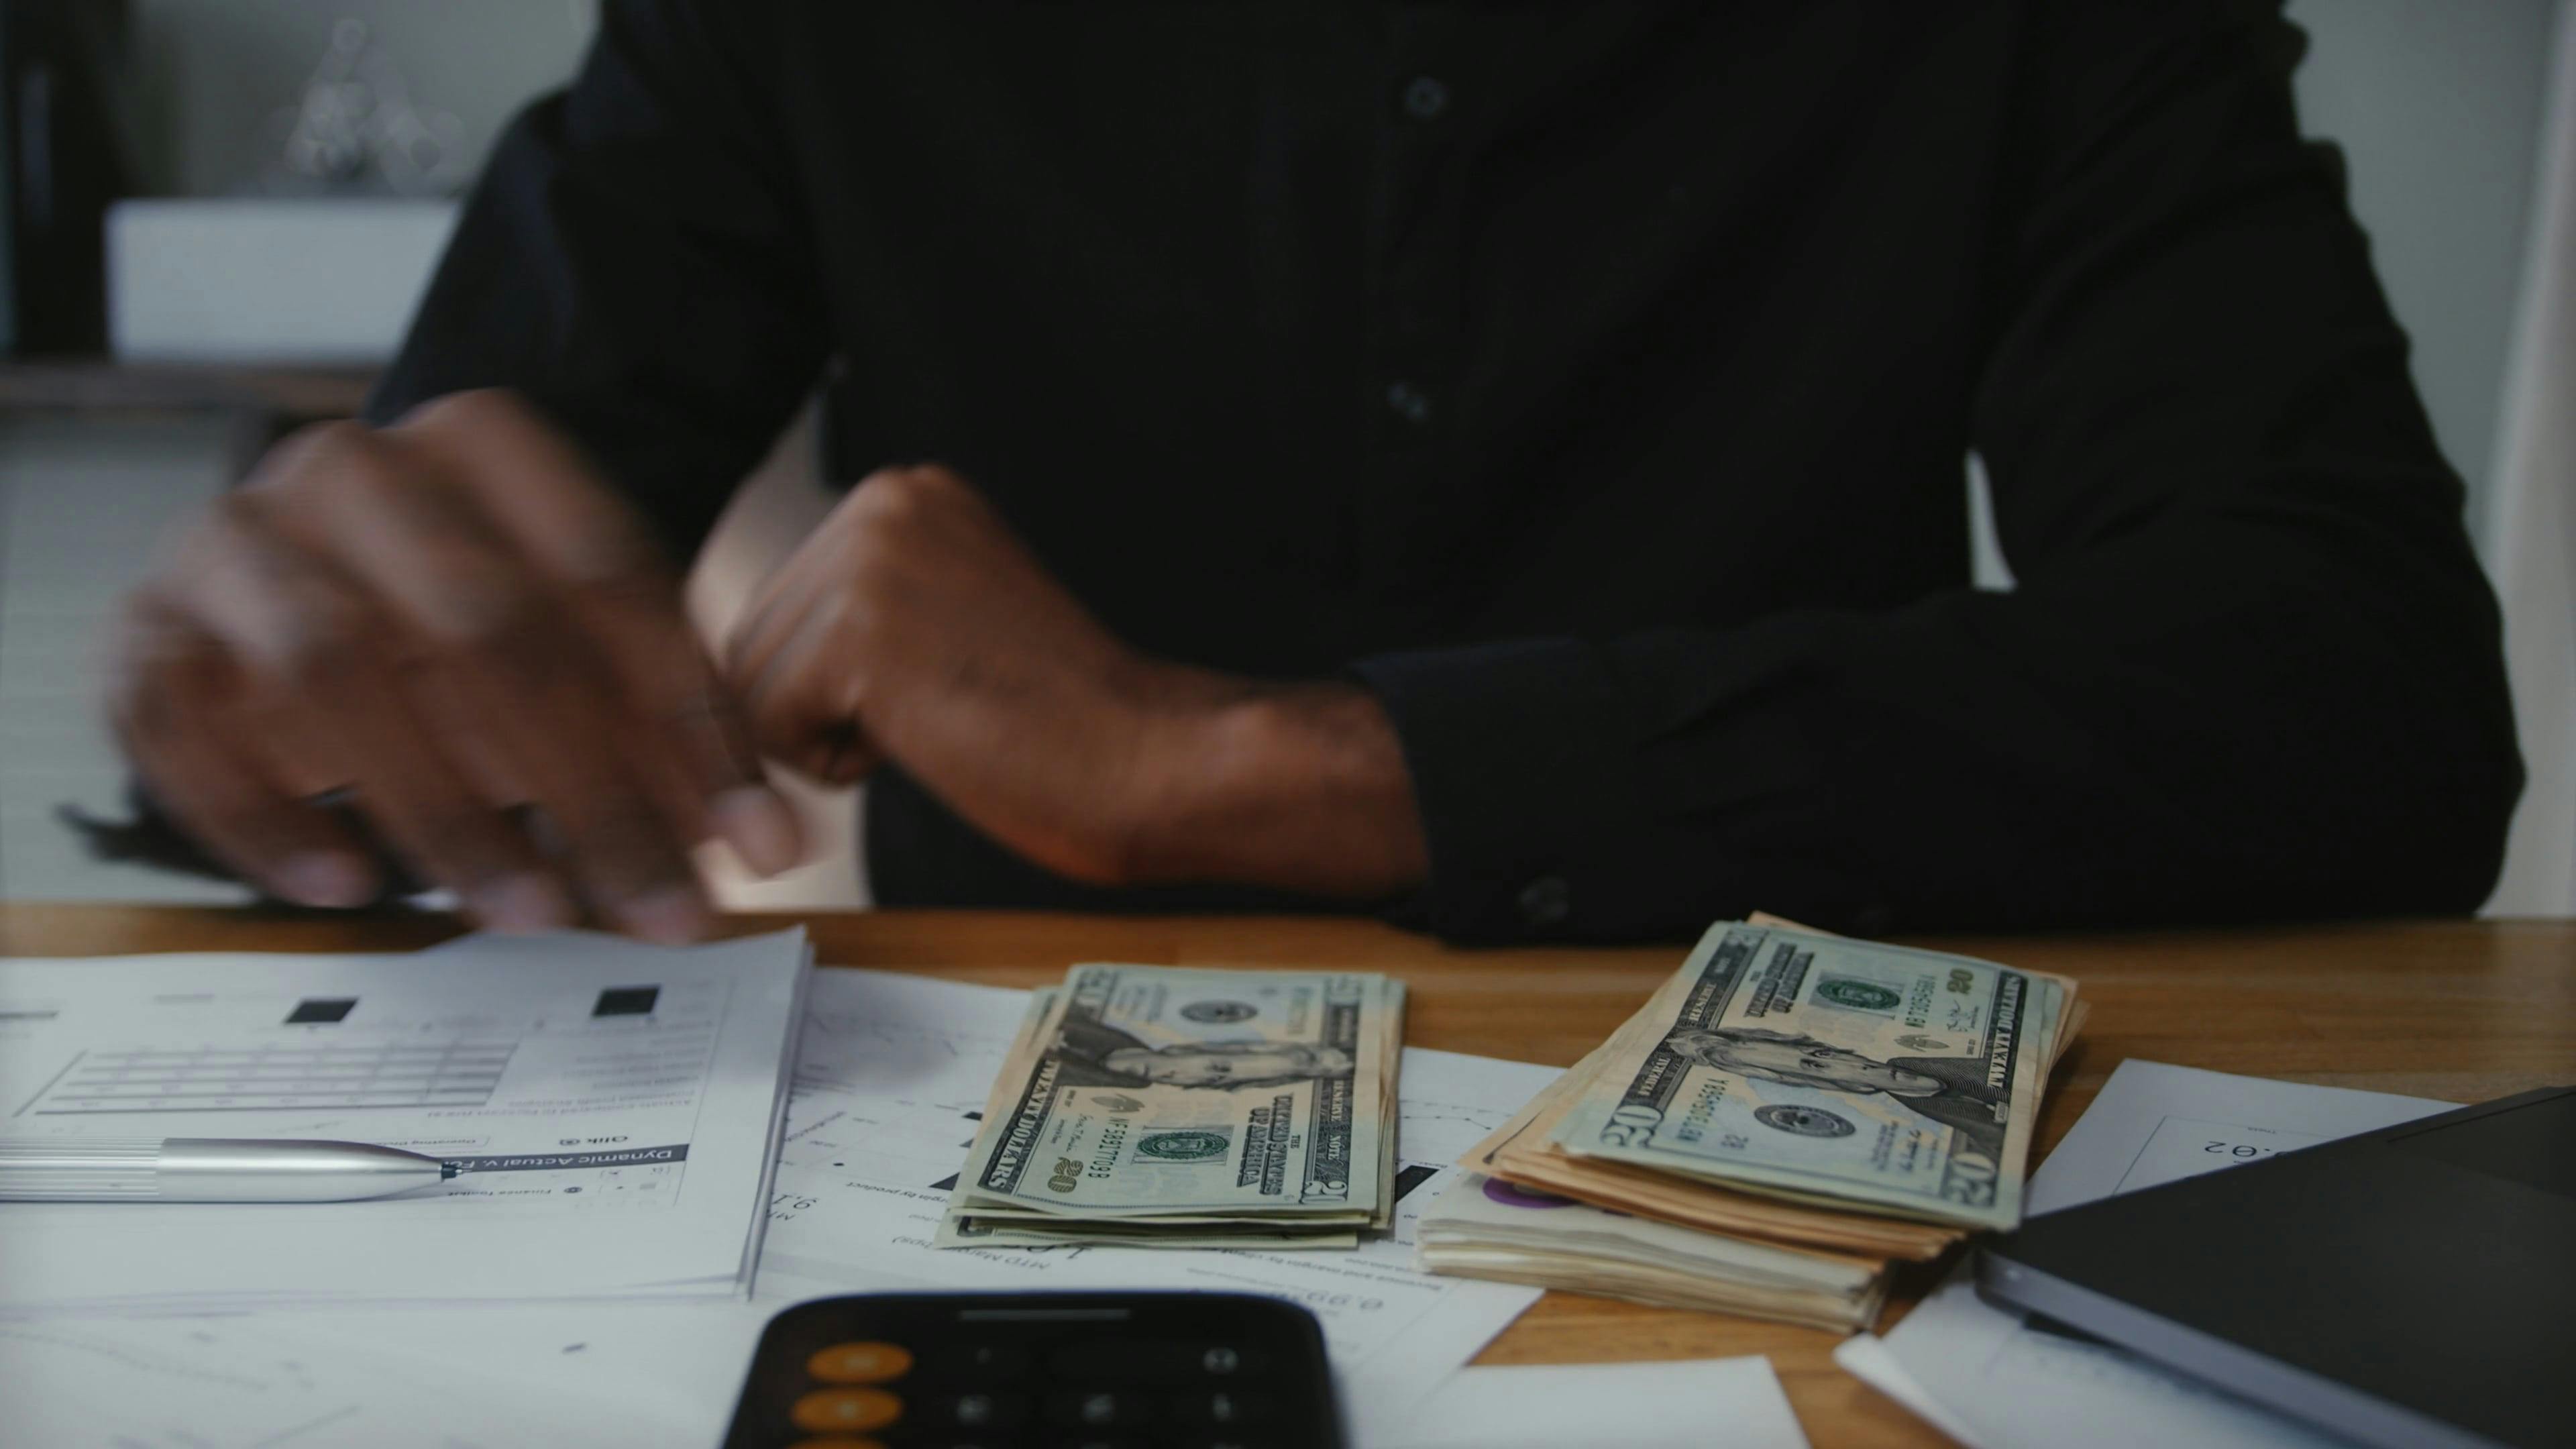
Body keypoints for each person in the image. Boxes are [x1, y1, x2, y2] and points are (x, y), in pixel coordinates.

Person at [104, 3, 2522, 947]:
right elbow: (444, 569)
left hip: (1764, 1157)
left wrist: (1222, 769)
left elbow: (2361, 697)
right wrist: (296, 677)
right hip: (943, 1200)